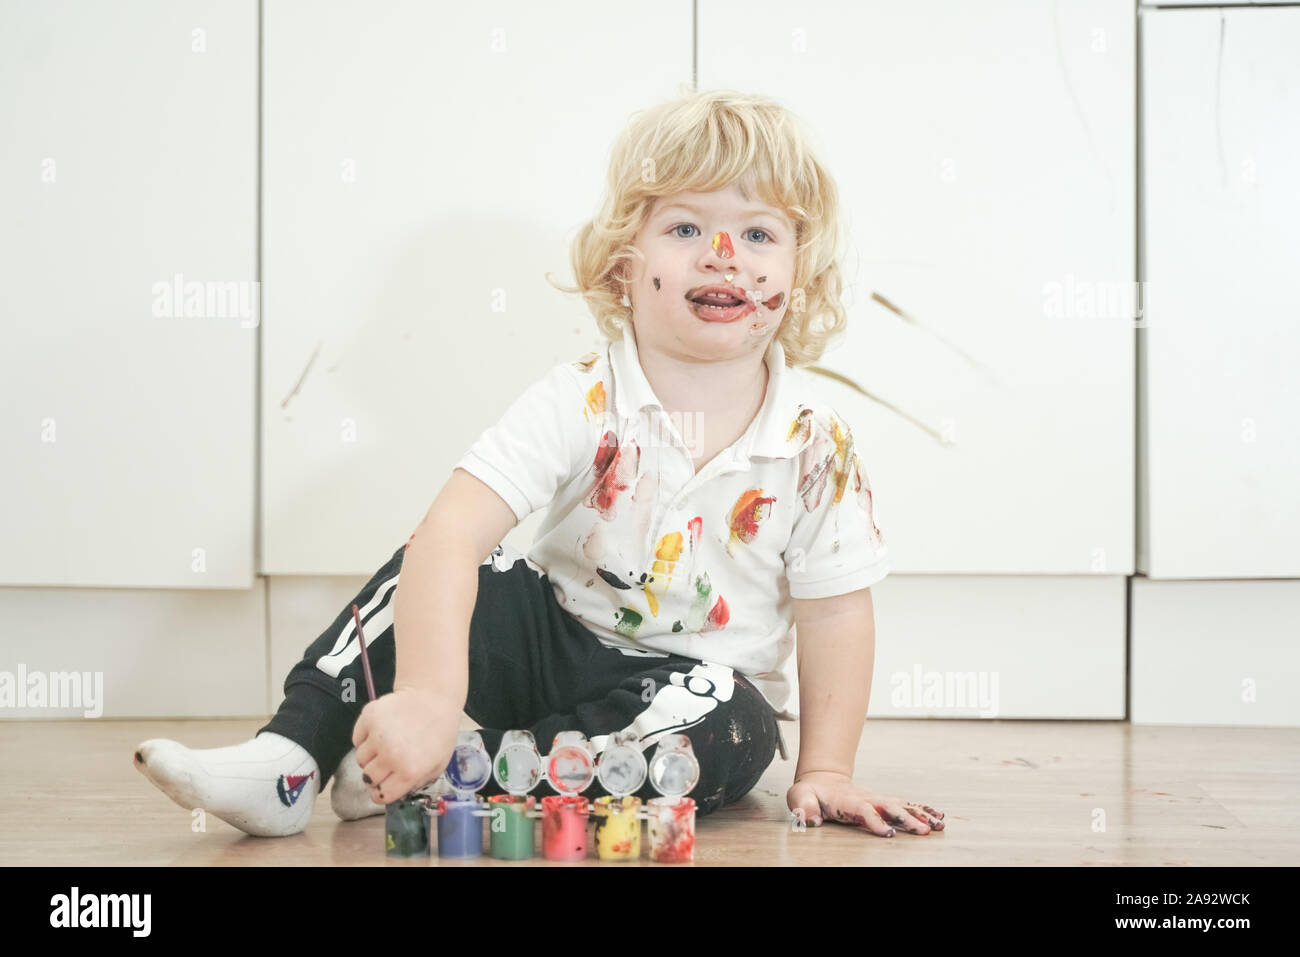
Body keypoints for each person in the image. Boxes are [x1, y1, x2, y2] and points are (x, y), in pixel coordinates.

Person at [134, 87, 945, 840]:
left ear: (798, 275)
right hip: (552, 639)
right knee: (438, 562)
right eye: (687, 228)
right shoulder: (582, 399)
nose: (723, 255)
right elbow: (450, 532)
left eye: (759, 233)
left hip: (685, 692)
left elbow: (836, 611)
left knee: (732, 720)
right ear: (627, 262)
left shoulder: (814, 444)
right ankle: (293, 756)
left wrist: (827, 769)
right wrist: (427, 693)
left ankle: (456, 779)